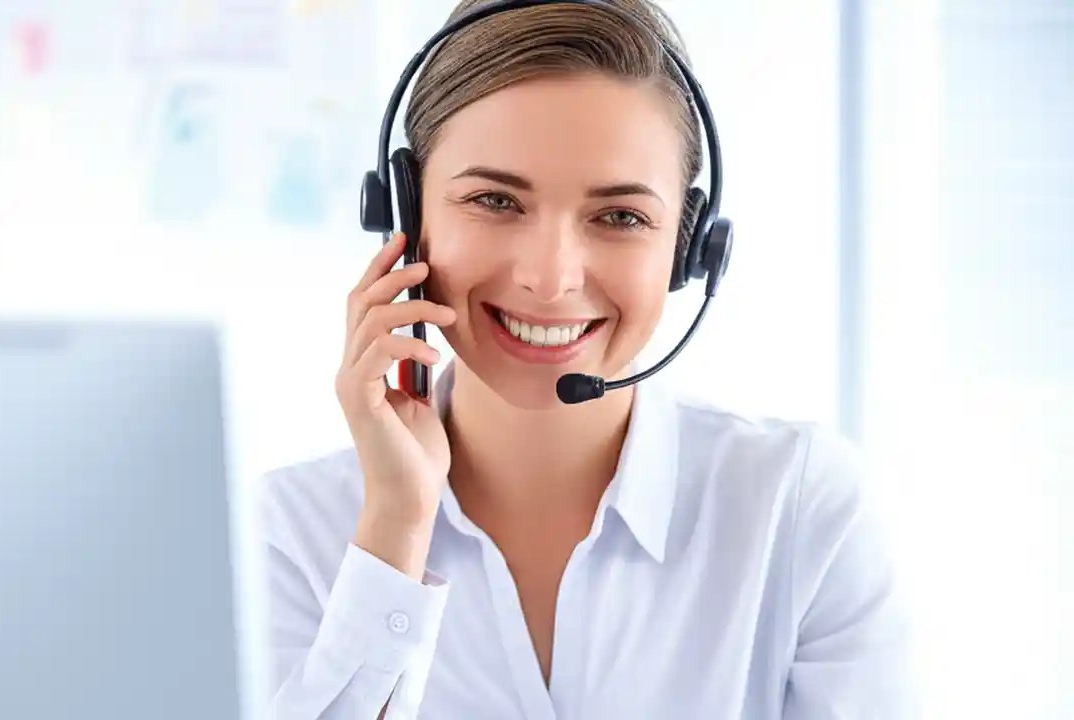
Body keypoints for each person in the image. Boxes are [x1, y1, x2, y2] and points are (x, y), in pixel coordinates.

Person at [261, 0, 916, 717]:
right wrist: (395, 525)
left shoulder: (799, 509)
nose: (552, 278)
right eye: (494, 200)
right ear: (406, 216)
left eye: (620, 216)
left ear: (690, 250)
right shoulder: (288, 532)